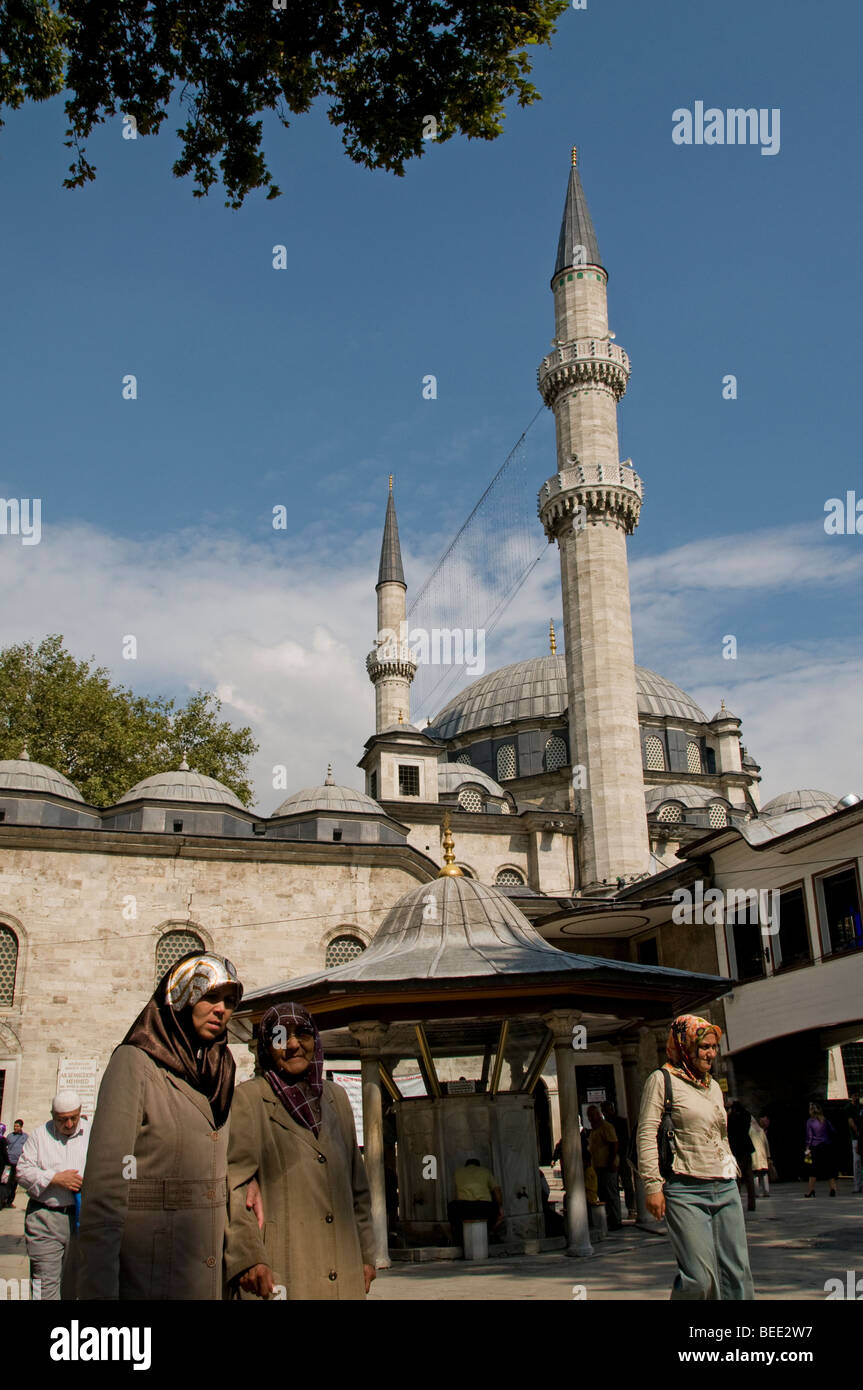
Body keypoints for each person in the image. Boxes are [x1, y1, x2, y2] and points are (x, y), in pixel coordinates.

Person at [77, 950, 242, 1299]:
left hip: (208, 1272)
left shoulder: (221, 1069)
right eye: (210, 996)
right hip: (150, 1271)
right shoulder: (135, 1062)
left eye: (229, 1001)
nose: (221, 1009)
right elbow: (107, 1186)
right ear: (180, 995)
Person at [224, 1001, 375, 1299]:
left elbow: (358, 1187)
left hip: (344, 1268)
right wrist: (250, 1258)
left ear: (315, 1040)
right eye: (280, 1036)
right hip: (285, 1267)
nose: (292, 1044)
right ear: (268, 1046)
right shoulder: (251, 1099)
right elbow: (236, 1187)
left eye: (302, 1034)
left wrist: (366, 1254)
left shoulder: (337, 1099)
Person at [637, 1014, 754, 1300]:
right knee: (700, 1279)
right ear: (685, 1046)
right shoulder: (661, 1080)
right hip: (685, 1188)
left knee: (737, 1274)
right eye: (703, 1047)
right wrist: (652, 1185)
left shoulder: (712, 1086)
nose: (711, 1053)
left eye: (714, 1046)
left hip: (725, 1185)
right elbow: (646, 1134)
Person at [15, 1091, 91, 1300]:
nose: (68, 1124)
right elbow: (22, 1172)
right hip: (45, 1219)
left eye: (73, 1118)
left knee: (72, 1286)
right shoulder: (40, 1136)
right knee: (45, 1286)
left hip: (80, 1219)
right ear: (52, 1115)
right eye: (62, 1119)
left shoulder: (93, 1133)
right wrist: (54, 1178)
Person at [447, 1158, 504, 1248]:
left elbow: (454, 1193)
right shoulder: (485, 1171)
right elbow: (497, 1190)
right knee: (497, 1214)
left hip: (464, 1209)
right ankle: (490, 1233)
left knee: (452, 1207)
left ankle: (457, 1238)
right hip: (483, 1208)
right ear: (478, 1166)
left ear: (466, 1165)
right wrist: (500, 1207)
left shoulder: (458, 1172)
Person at [587, 1104, 622, 1230]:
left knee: (611, 1193)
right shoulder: (594, 1130)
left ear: (598, 1115)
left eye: (592, 1115)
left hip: (608, 1165)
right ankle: (607, 1219)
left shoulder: (606, 1127)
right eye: (589, 1116)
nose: (590, 1118)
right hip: (597, 1166)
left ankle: (616, 1220)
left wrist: (612, 1162)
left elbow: (614, 1144)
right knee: (602, 1194)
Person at [602, 1099, 636, 1219]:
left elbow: (621, 1140)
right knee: (614, 1186)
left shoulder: (619, 1122)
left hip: (620, 1156)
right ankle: (617, 1213)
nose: (606, 1112)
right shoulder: (605, 1124)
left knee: (626, 1182)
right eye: (604, 1110)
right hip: (613, 1156)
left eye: (607, 1109)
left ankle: (631, 1209)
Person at [727, 1099, 756, 1211]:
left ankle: (737, 1203)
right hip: (746, 1147)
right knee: (749, 1177)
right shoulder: (746, 1115)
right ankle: (751, 1203)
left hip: (736, 1149)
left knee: (737, 1177)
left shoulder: (732, 1118)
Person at [803, 1102, 838, 1198]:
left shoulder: (810, 1121)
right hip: (826, 1146)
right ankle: (833, 1188)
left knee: (813, 1169)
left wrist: (807, 1147)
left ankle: (811, 1190)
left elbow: (809, 1136)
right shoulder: (825, 1120)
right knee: (829, 1168)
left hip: (815, 1146)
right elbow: (833, 1130)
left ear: (811, 1111)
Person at [4, 1120, 29, 1208]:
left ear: (21, 1127)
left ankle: (9, 1201)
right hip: (8, 1163)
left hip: (18, 1163)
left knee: (14, 1183)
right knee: (5, 1181)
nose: (15, 1128)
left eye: (17, 1126)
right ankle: (3, 1199)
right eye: (15, 1126)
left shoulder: (25, 1137)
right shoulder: (9, 1136)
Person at [845, 1090, 862, 1195]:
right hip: (856, 1138)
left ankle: (860, 1184)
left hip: (861, 1136)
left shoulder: (861, 1107)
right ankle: (857, 1185)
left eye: (858, 1095)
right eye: (855, 1095)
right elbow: (851, 1121)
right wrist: (857, 1132)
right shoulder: (848, 1108)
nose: (856, 1097)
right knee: (856, 1161)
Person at [750, 1114, 771, 1197]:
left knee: (755, 1175)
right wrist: (768, 1155)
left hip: (754, 1156)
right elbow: (766, 1144)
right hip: (762, 1156)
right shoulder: (761, 1130)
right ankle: (766, 1191)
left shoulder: (749, 1131)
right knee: (764, 1174)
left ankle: (756, 1192)